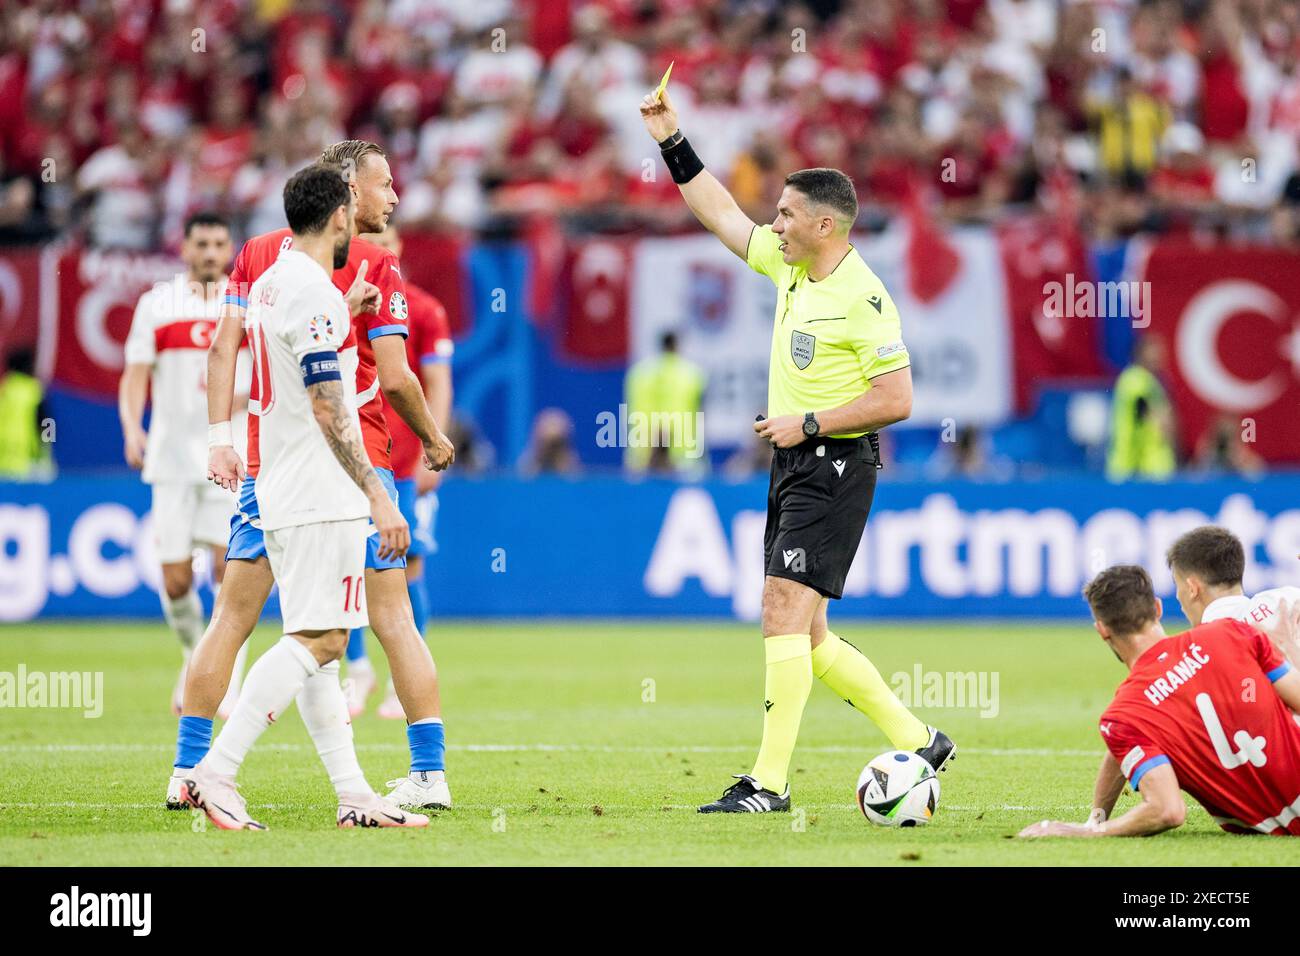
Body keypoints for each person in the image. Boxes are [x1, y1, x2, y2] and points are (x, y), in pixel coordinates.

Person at [639, 84, 954, 813]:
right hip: (795, 463)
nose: (771, 223)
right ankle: (919, 737)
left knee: (781, 608)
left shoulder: (864, 297)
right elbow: (717, 209)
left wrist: (810, 423)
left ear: (823, 224)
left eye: (783, 214)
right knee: (807, 632)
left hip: (837, 465)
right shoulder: (788, 265)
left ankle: (768, 785)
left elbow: (898, 398)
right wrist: (670, 139)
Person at [170, 142, 456, 815]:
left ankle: (194, 767)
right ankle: (422, 770)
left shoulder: (260, 263)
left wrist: (220, 440)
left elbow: (226, 346)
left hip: (264, 464)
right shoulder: (371, 267)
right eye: (384, 185)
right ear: (345, 197)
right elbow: (384, 380)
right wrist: (418, 455)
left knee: (238, 617)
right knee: (365, 625)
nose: (393, 198)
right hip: (343, 469)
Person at [1020, 564, 1300, 838]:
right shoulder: (1231, 633)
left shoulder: (1126, 716)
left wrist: (1092, 829)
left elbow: (1167, 811)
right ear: (1157, 608)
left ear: (1102, 630)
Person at [119, 212, 249, 718]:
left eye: (220, 243)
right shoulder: (157, 304)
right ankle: (195, 661)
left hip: (227, 456)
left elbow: (266, 374)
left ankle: (226, 682)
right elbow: (135, 375)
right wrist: (132, 428)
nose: (212, 252)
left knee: (226, 573)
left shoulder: (245, 305)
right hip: (171, 460)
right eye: (203, 243)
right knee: (175, 581)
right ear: (186, 248)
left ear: (230, 246)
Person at [346, 224, 455, 720]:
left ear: (399, 249)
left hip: (403, 461)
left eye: (387, 244)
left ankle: (399, 682)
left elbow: (435, 382)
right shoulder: (337, 299)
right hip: (350, 453)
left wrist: (432, 447)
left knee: (406, 565)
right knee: (345, 566)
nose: (379, 253)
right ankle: (355, 670)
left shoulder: (425, 309)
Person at [623, 331, 706, 476]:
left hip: (642, 449)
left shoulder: (639, 373)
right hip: (682, 450)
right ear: (677, 345)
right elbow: (701, 409)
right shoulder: (691, 374)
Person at [1106, 336, 1177, 481]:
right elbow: (1145, 411)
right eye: (1154, 352)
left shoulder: (1153, 381)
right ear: (1141, 354)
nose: (1159, 356)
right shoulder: (1135, 379)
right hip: (1136, 465)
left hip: (1143, 464)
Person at [0, 346, 50, 479]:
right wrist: (47, 451)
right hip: (27, 460)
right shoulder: (34, 391)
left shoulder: (4, 390)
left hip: (3, 460)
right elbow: (47, 422)